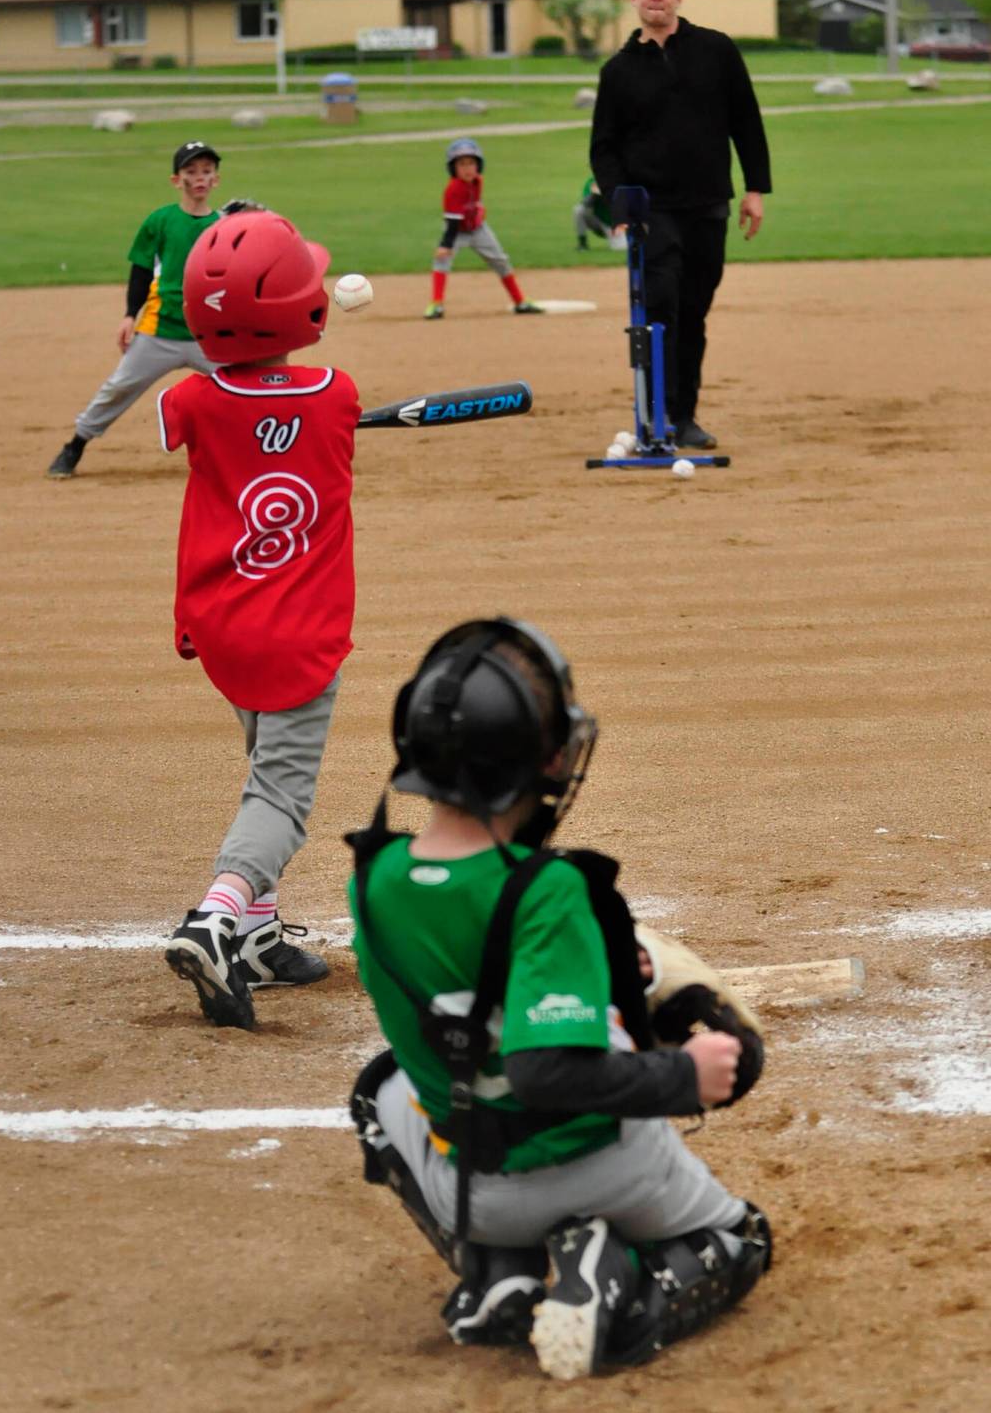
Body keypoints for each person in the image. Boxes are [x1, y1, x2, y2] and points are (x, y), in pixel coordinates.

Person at [347, 617, 772, 1380]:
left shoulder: (370, 883)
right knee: (741, 1242)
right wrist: (686, 1075)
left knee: (381, 1084)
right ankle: (614, 1282)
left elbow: (473, 988)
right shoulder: (549, 889)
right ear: (541, 761)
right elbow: (547, 1068)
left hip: (471, 1188)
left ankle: (495, 1271)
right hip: (600, 1164)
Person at [161, 210, 360, 1031]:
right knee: (282, 792)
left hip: (220, 622)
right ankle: (217, 917)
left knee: (260, 765)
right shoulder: (339, 394)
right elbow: (306, 419)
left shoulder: (191, 400)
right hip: (299, 635)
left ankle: (259, 935)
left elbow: (209, 421)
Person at [590, 0, 772, 450]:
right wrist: (621, 205)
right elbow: (603, 149)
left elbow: (746, 121)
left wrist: (755, 188)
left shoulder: (716, 50)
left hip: (709, 203)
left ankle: (684, 415)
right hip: (653, 212)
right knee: (661, 307)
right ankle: (657, 416)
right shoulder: (618, 72)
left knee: (694, 312)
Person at [47, 141, 224, 478]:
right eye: (191, 171)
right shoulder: (160, 220)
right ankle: (75, 446)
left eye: (206, 171)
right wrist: (130, 315)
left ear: (216, 179)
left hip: (210, 334)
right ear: (177, 180)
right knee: (118, 388)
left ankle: (260, 450)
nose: (199, 177)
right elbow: (141, 270)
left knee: (248, 389)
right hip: (161, 330)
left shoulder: (225, 224)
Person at [424, 138, 543, 320]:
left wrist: (478, 210)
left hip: (478, 230)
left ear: (478, 165)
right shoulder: (453, 189)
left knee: (501, 261)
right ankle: (436, 304)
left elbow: (473, 203)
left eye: (471, 163)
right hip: (456, 232)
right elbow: (453, 222)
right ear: (453, 168)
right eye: (462, 164)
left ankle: (520, 302)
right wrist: (445, 245)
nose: (467, 168)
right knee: (442, 261)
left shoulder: (477, 181)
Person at [573, 176, 628, 253]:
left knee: (621, 249)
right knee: (579, 210)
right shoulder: (591, 182)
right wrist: (594, 194)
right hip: (597, 221)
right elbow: (585, 204)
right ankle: (583, 244)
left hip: (613, 225)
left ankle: (632, 238)